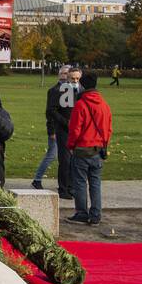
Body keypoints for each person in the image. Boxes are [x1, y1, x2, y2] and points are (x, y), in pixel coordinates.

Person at [66, 72, 111, 225]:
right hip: (98, 149)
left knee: (79, 183)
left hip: (82, 149)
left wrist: (71, 145)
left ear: (82, 85)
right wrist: (104, 144)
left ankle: (82, 213)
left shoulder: (81, 104)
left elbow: (75, 129)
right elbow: (108, 128)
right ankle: (96, 214)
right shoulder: (104, 104)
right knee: (95, 183)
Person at [32, 65, 71, 191]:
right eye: (63, 73)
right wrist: (51, 130)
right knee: (52, 154)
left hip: (66, 129)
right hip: (56, 129)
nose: (65, 75)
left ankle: (66, 182)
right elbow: (50, 112)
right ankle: (37, 179)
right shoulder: (55, 90)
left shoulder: (69, 90)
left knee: (64, 157)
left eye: (67, 73)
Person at [46, 66, 82, 199]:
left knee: (75, 160)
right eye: (73, 78)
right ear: (67, 77)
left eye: (77, 78)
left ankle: (71, 187)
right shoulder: (60, 91)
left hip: (78, 130)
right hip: (64, 130)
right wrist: (65, 122)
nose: (75, 80)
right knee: (65, 160)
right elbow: (51, 110)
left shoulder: (81, 90)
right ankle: (63, 188)